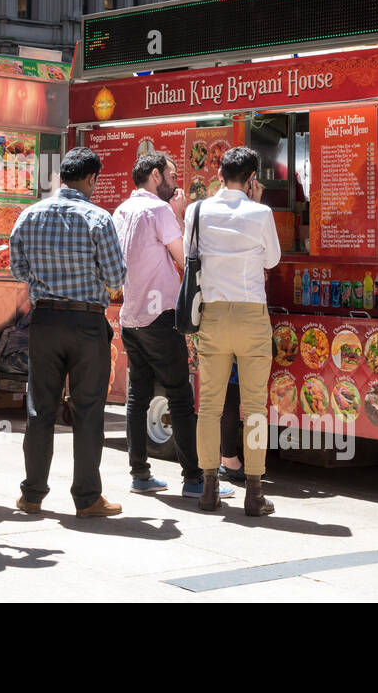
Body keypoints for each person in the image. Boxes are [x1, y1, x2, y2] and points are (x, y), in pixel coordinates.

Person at [10, 146, 127, 518]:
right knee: (89, 410)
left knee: (39, 409)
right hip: (87, 323)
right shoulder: (98, 218)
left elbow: (18, 270)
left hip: (44, 321)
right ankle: (87, 497)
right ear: (92, 178)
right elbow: (116, 277)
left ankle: (32, 495)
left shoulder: (29, 215)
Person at [112, 153, 227, 500]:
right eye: (174, 176)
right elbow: (184, 256)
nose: (177, 183)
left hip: (130, 316)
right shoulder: (159, 211)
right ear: (155, 175)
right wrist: (177, 216)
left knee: (138, 396)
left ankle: (140, 473)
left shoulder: (122, 210)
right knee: (178, 394)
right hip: (160, 314)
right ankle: (193, 478)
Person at [185, 146, 281, 516]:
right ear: (252, 179)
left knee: (209, 406)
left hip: (212, 315)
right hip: (251, 316)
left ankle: (209, 489)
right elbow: (271, 259)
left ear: (219, 175)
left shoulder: (196, 211)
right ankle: (254, 493)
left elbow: (191, 252)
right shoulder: (261, 213)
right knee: (254, 408)